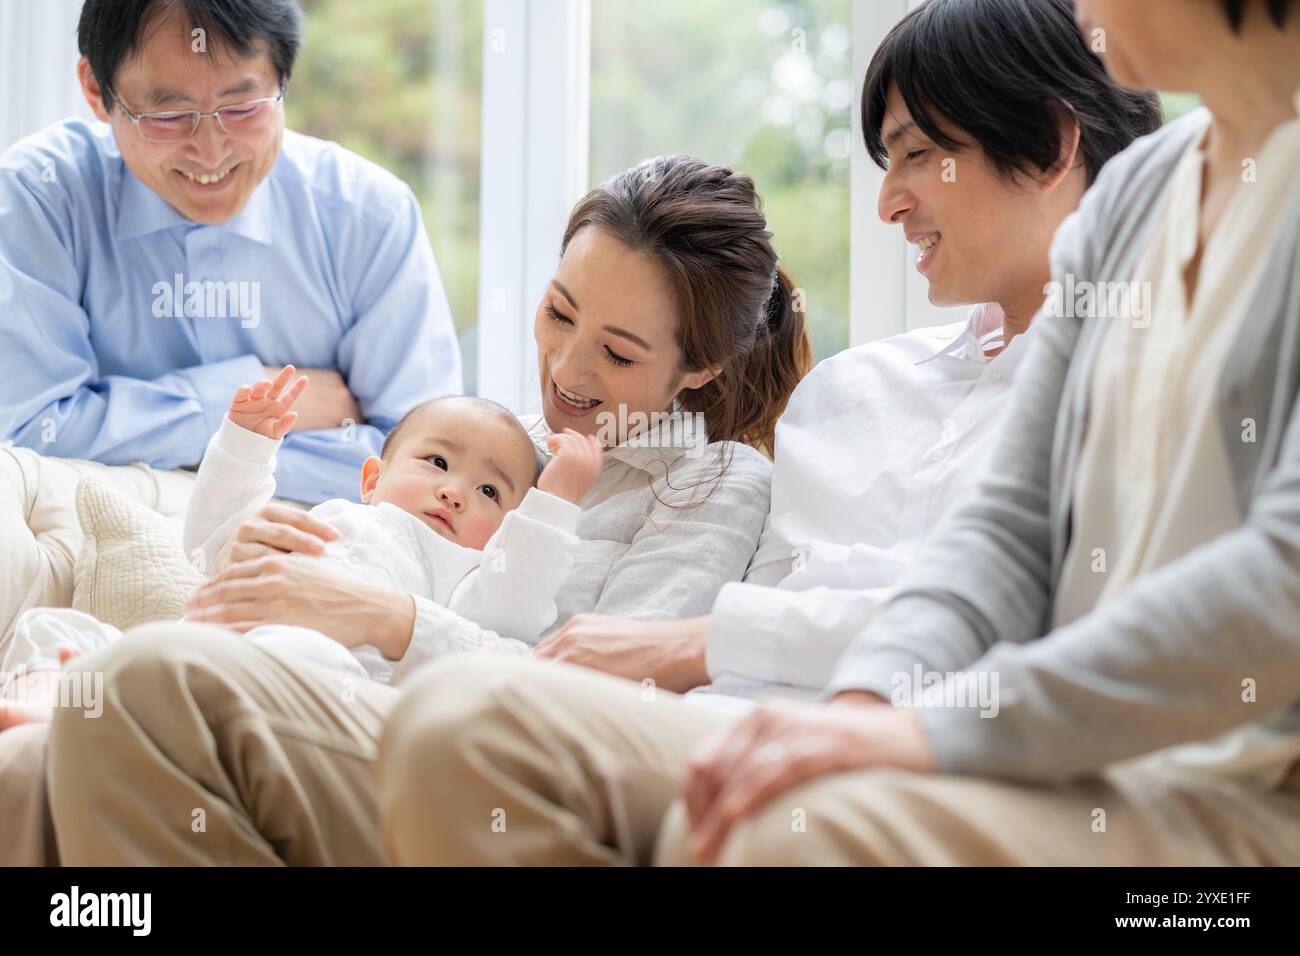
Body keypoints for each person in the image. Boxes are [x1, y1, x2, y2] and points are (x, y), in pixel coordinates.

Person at [372, 0, 1300, 866]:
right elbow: (1005, 541)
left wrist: (919, 726)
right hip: (914, 723)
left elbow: (1276, 585)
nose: (888, 202)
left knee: (779, 833)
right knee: (465, 723)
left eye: (918, 155)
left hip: (1208, 774)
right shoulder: (1140, 196)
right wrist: (859, 708)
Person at [3, 153, 812, 865]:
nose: (565, 368)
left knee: (146, 685)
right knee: (37, 767)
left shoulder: (712, 483)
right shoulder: (506, 443)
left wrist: (381, 616)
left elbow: (602, 712)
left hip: (464, 759)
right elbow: (355, 534)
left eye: (618, 351)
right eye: (559, 312)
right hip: (333, 684)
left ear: (701, 369)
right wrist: (261, 540)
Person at [0, 0, 461, 504]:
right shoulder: (41, 196)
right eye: (169, 115)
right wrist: (243, 398)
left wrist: (168, 448)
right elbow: (28, 428)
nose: (212, 153)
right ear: (96, 89)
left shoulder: (368, 215)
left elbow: (426, 472)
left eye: (243, 108)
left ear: (285, 77)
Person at [2, 366, 606, 684]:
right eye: (437, 462)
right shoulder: (332, 520)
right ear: (371, 479)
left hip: (313, 674)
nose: (453, 491)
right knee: (51, 627)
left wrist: (554, 504)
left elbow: (516, 609)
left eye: (489, 491)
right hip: (203, 643)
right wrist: (245, 443)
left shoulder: (470, 578)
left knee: (305, 658)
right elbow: (216, 546)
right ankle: (45, 705)